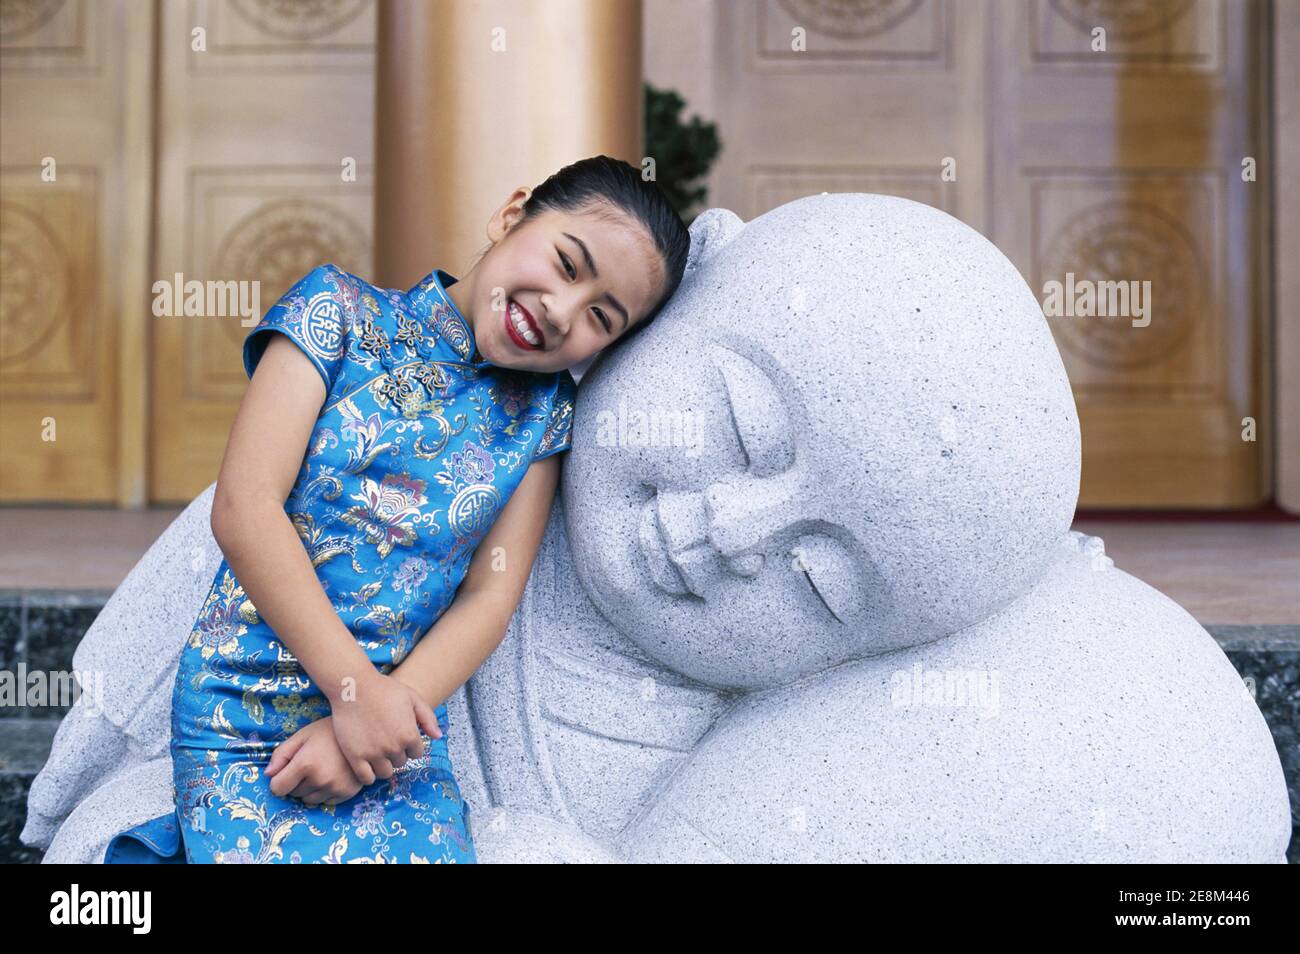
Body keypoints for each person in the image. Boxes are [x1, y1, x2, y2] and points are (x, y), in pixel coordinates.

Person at [105, 155, 690, 863]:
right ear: (512, 214)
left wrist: (376, 725)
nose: (561, 311)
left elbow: (489, 595)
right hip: (244, 703)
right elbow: (244, 509)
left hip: (394, 738)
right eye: (568, 264)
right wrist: (351, 695)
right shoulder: (336, 314)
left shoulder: (543, 420)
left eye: (602, 315)